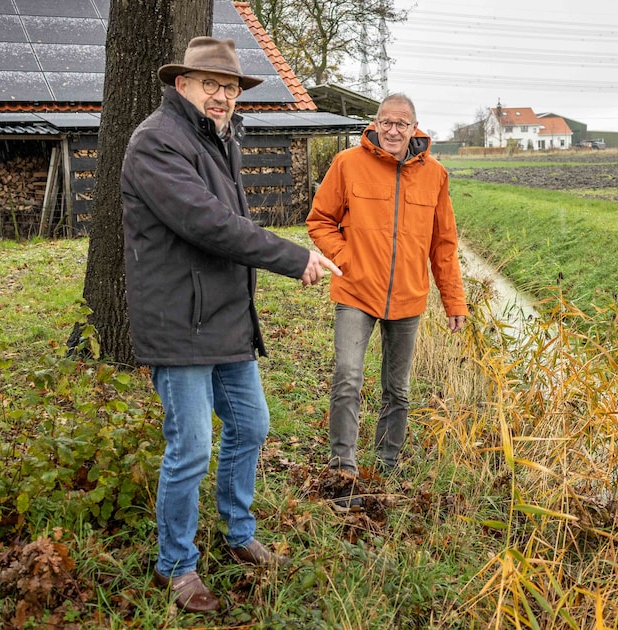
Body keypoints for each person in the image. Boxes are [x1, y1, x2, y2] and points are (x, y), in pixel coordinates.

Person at [122, 36, 340, 614]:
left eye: (231, 88)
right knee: (190, 448)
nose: (222, 96)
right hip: (178, 322)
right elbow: (209, 223)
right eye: (211, 85)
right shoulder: (156, 142)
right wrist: (295, 258)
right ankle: (178, 566)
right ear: (182, 85)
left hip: (223, 317)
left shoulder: (217, 137)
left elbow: (224, 223)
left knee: (252, 426)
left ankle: (238, 534)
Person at [306, 93, 468, 512]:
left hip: (409, 297)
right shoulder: (347, 164)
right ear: (375, 124)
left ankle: (387, 464)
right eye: (386, 122)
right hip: (356, 292)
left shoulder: (435, 175)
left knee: (397, 389)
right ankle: (343, 467)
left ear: (416, 128)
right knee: (347, 377)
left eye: (402, 123)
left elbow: (443, 244)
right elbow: (320, 220)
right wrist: (345, 259)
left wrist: (454, 301)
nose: (393, 130)